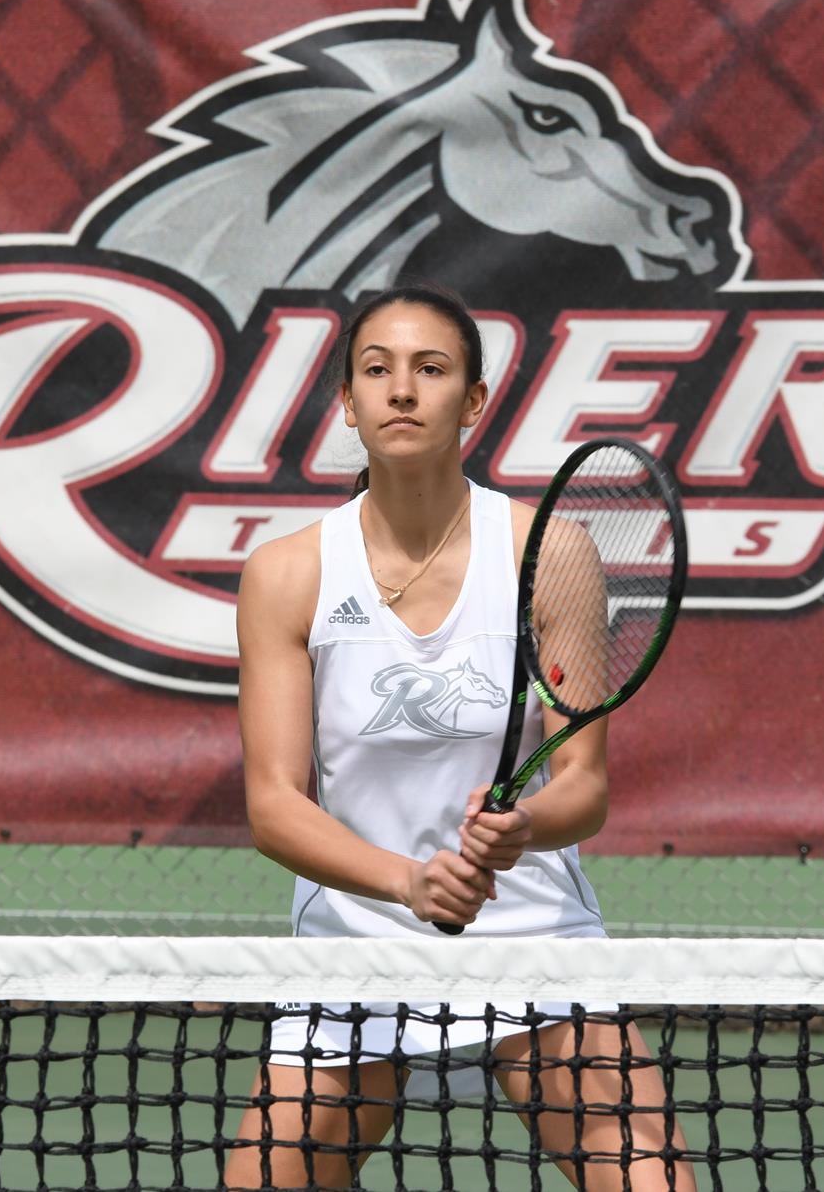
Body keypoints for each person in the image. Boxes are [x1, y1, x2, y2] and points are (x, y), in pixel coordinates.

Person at [227, 284, 694, 1191]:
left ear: (472, 401)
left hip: (530, 937)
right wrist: (407, 880)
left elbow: (582, 784)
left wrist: (523, 829)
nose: (403, 390)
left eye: (431, 369)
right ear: (348, 405)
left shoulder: (548, 553)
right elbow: (275, 804)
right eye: (378, 370)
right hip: (357, 946)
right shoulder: (286, 573)